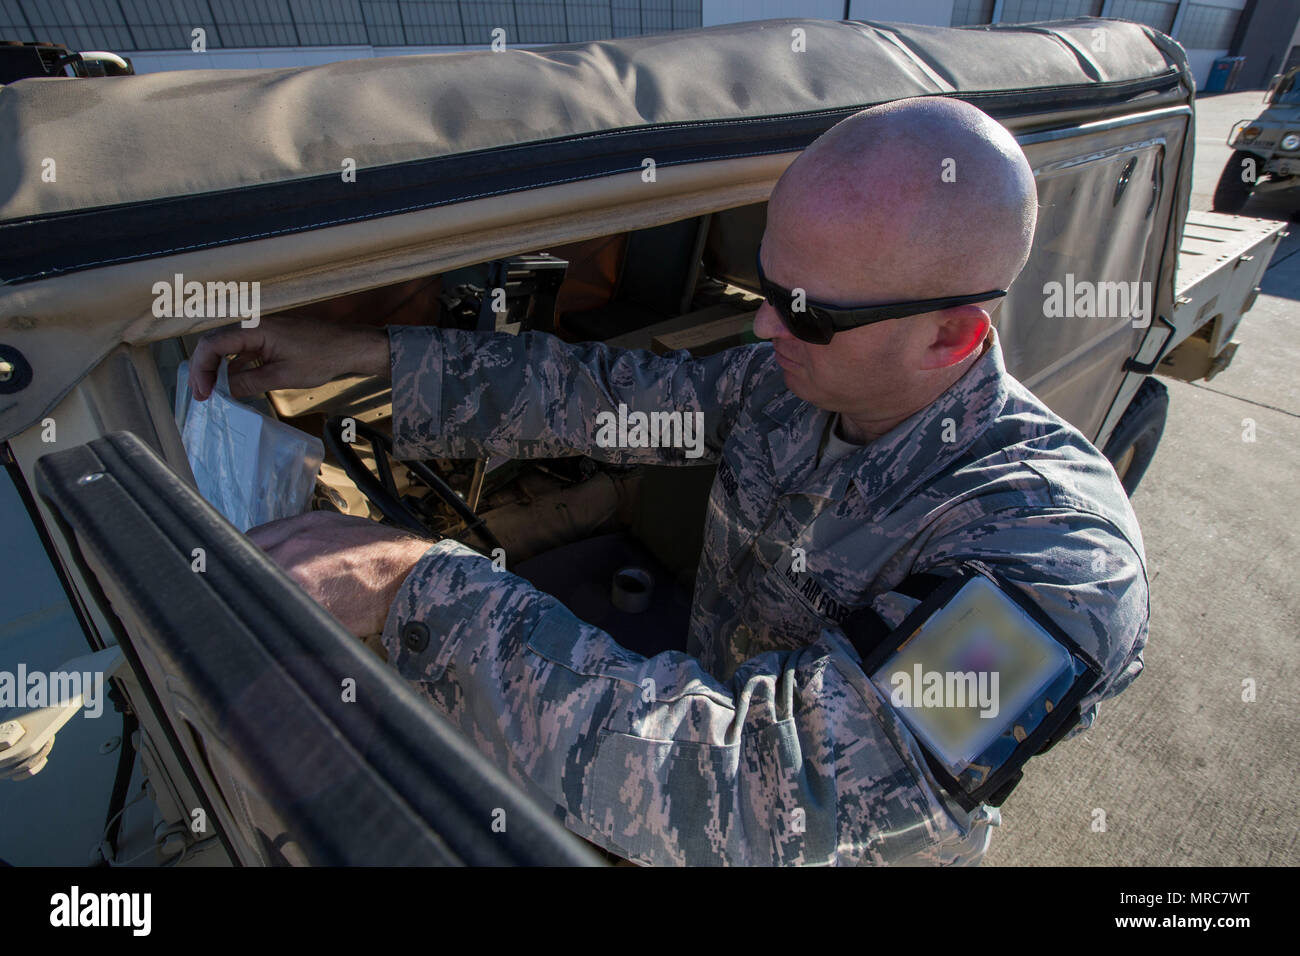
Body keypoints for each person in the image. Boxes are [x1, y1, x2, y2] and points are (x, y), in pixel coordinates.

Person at [189, 96, 1149, 866]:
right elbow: (600, 397)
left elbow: (787, 796)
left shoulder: (1056, 563)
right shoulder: (785, 382)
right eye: (768, 291)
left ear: (954, 333)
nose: (766, 330)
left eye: (807, 314)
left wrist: (413, 584)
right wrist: (358, 352)